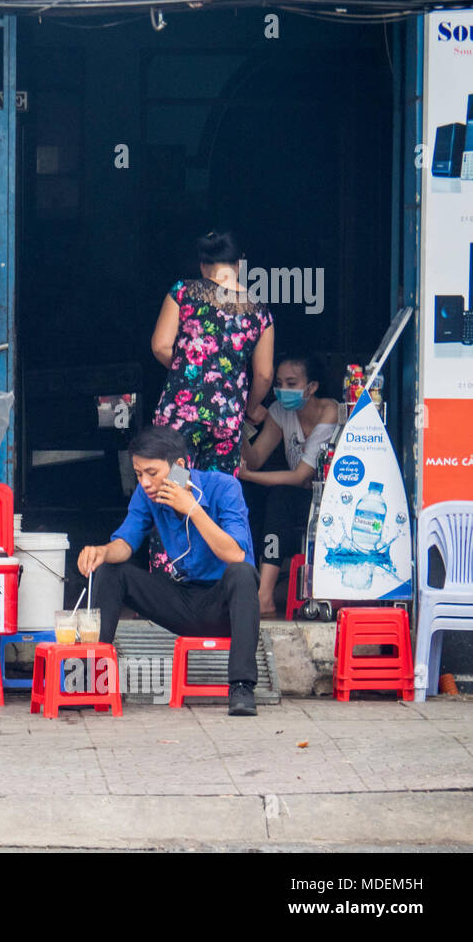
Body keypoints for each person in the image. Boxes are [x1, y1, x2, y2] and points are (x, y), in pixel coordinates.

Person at [77, 426, 262, 716]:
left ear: (179, 467)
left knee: (242, 573)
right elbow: (125, 543)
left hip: (226, 605)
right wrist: (102, 552)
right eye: (138, 474)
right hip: (184, 600)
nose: (145, 482)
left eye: (151, 472)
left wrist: (193, 510)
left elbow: (235, 554)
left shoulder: (224, 487)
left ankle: (241, 687)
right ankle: (91, 678)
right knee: (112, 570)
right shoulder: (146, 495)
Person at [151, 229, 275, 475]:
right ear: (239, 263)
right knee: (218, 489)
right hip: (227, 417)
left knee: (176, 484)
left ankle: (180, 512)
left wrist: (189, 371)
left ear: (202, 265)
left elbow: (161, 346)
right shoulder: (259, 311)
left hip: (180, 413)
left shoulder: (183, 292)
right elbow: (264, 374)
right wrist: (251, 408)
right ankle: (205, 515)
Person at [238, 353, 340, 616]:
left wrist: (248, 475)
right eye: (280, 383)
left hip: (332, 501)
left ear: (312, 387)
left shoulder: (331, 411)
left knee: (279, 493)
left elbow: (301, 475)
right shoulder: (279, 411)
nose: (283, 390)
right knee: (268, 498)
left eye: (292, 383)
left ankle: (264, 594)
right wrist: (244, 426)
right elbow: (257, 458)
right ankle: (261, 592)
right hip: (297, 498)